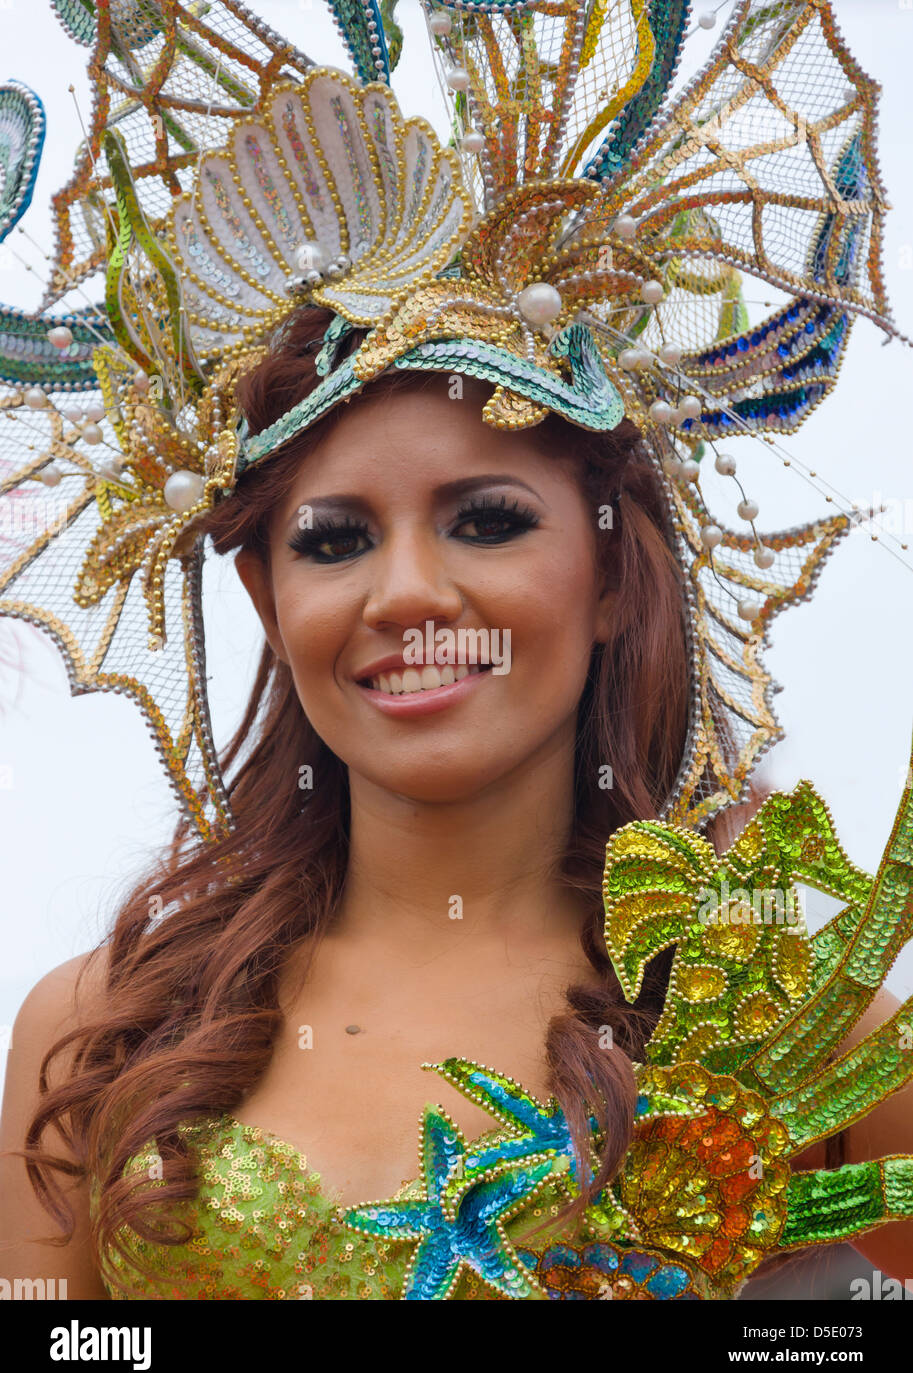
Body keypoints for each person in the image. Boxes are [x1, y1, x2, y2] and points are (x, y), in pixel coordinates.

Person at [1, 3, 911, 1301]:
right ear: (265, 598)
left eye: (487, 521)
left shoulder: (785, 1021)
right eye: (332, 541)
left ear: (609, 575)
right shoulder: (100, 1035)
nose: (406, 592)